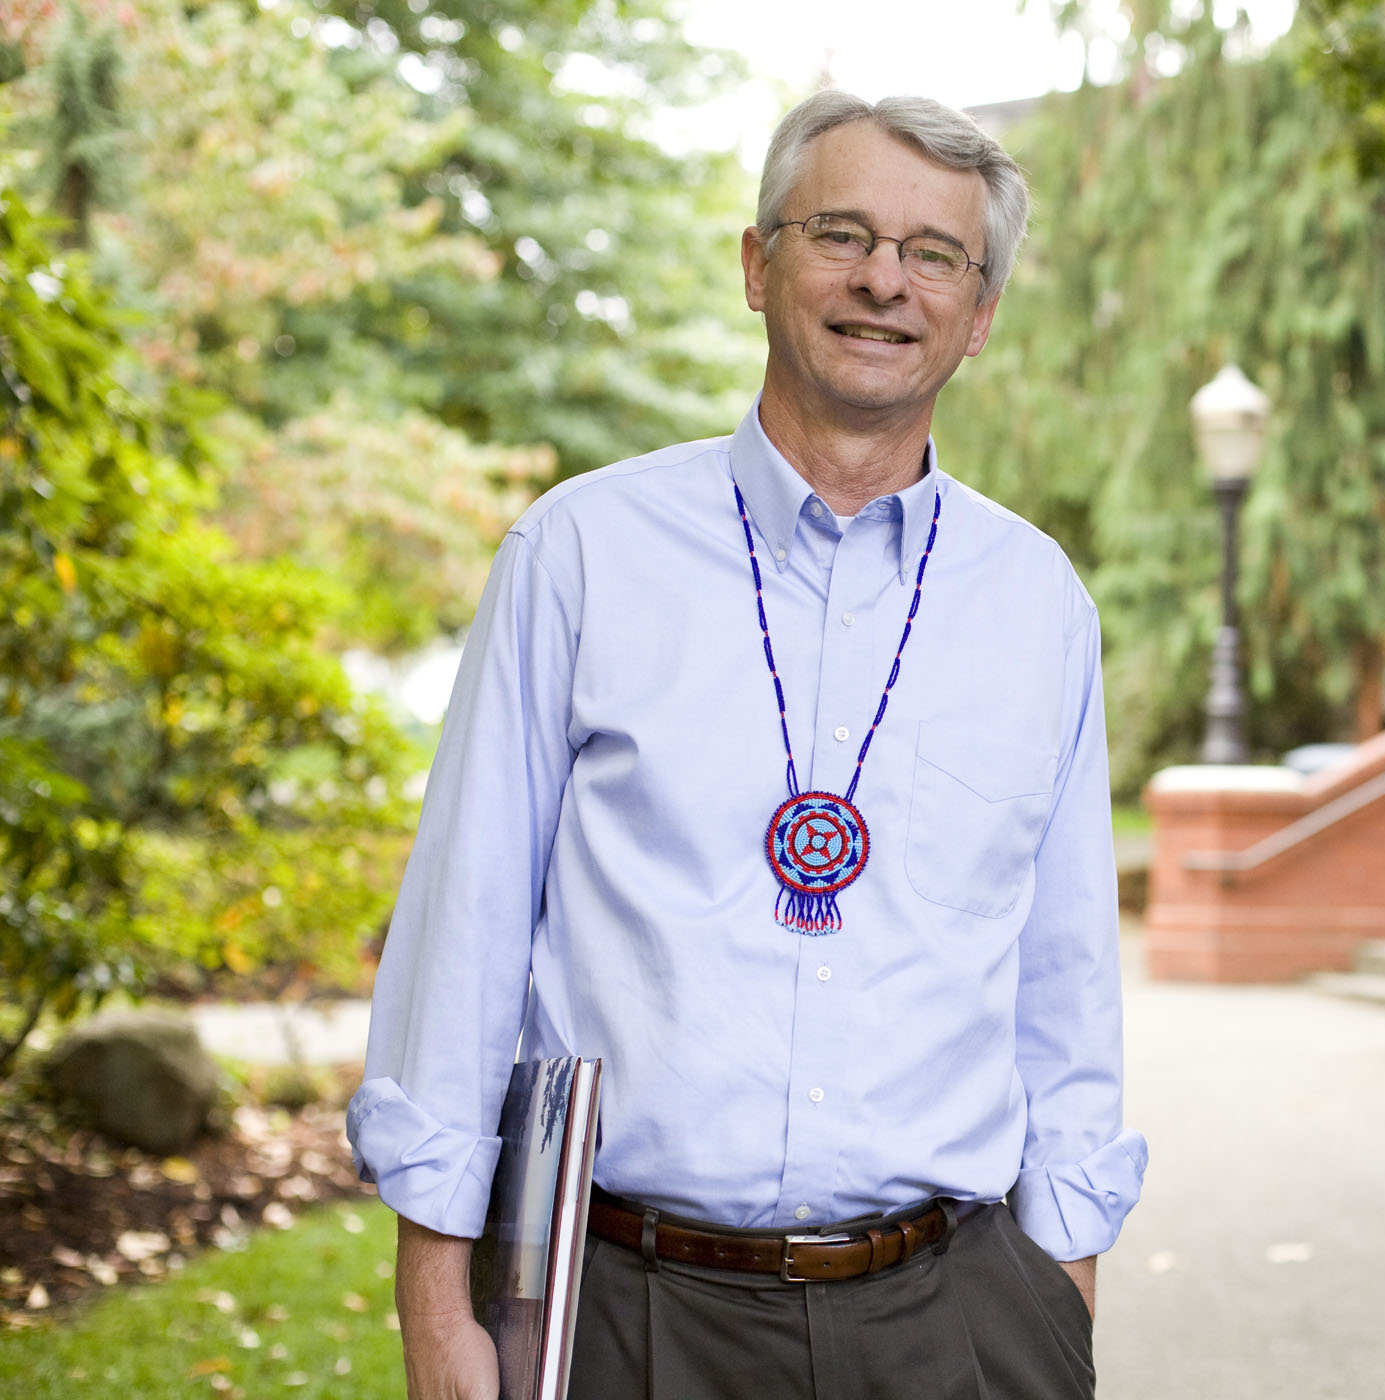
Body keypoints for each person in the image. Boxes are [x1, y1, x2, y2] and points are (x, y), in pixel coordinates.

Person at [348, 91, 1146, 1400]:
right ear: (756, 263)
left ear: (981, 313)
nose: (883, 279)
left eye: (935, 253)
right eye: (841, 232)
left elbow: (1067, 987)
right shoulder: (581, 557)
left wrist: (1055, 1310)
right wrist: (440, 1316)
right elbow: (465, 940)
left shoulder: (1036, 601)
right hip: (629, 1313)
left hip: (957, 1318)